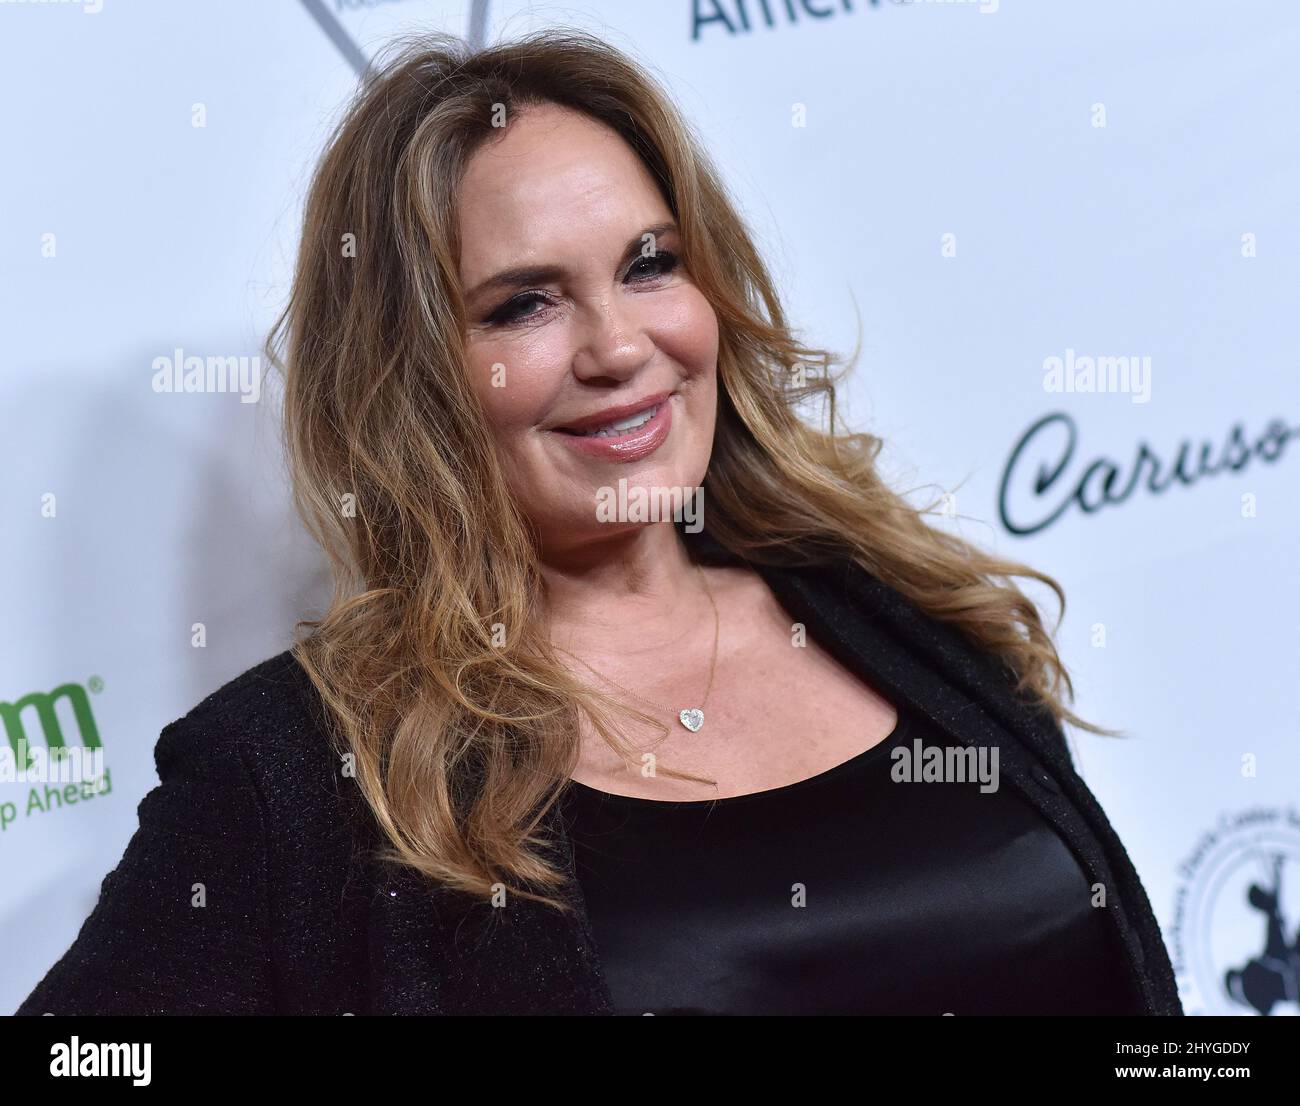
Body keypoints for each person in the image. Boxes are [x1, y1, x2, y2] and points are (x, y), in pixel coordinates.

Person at [15, 29, 1181, 1016]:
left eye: (648, 264)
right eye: (523, 302)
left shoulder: (904, 607)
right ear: (410, 374)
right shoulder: (303, 774)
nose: (620, 347)